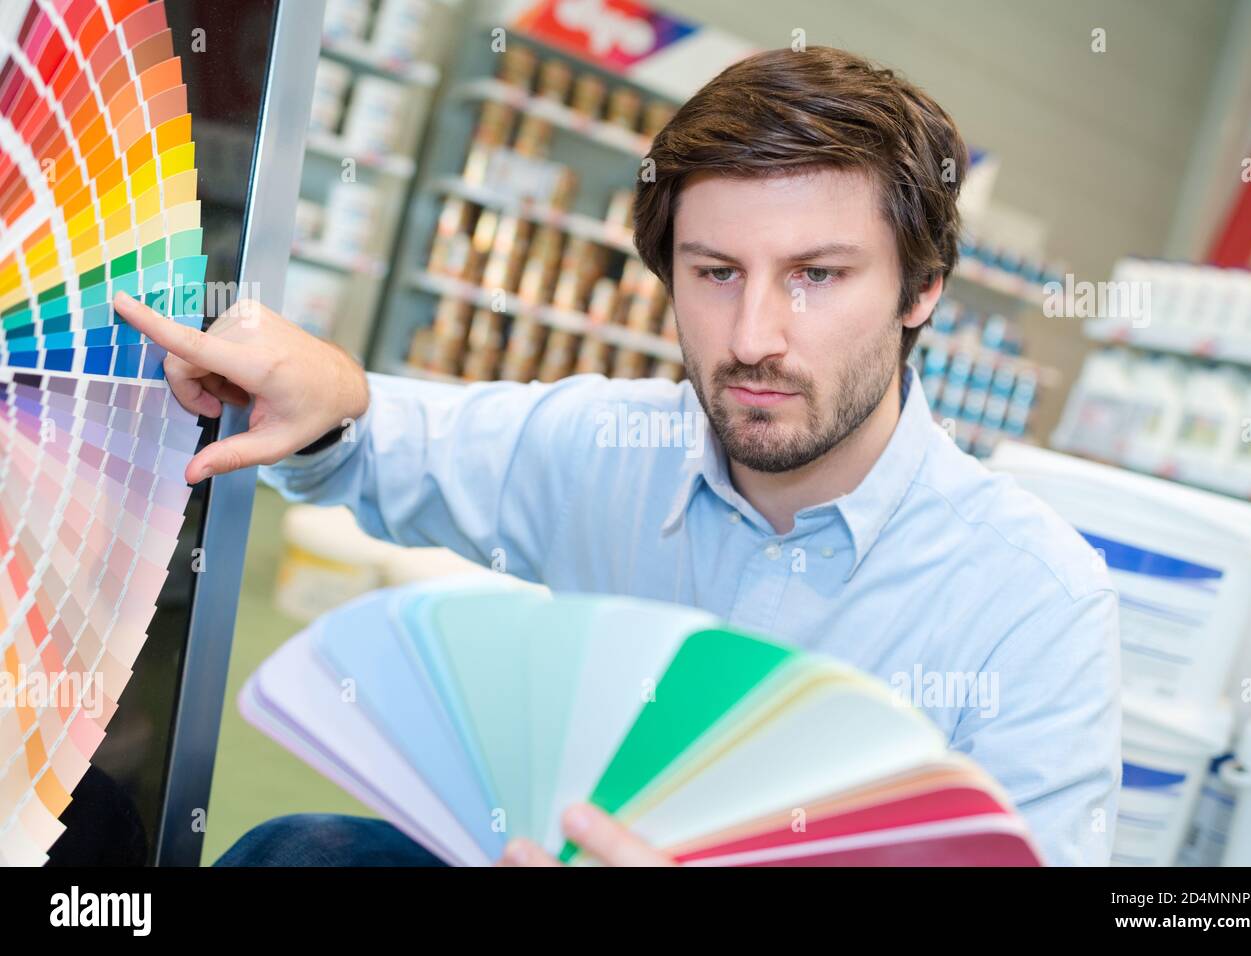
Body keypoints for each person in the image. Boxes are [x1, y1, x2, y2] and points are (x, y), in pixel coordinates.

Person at [116, 46, 1121, 867]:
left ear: (920, 291)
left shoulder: (1032, 599)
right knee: (306, 854)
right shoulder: (611, 446)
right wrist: (324, 400)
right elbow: (379, 438)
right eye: (716, 272)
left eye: (816, 275)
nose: (753, 333)